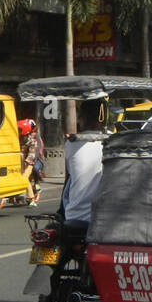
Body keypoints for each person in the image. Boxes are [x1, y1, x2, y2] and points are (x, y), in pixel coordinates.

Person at [60, 99, 111, 231]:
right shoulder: (114, 141)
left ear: (82, 117)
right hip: (103, 220)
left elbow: (70, 177)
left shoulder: (71, 143)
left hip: (73, 216)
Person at [19, 118, 43, 205]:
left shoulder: (33, 140)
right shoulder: (21, 138)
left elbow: (32, 154)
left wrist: (26, 162)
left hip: (29, 163)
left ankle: (31, 198)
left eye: (20, 129)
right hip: (20, 162)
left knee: (25, 177)